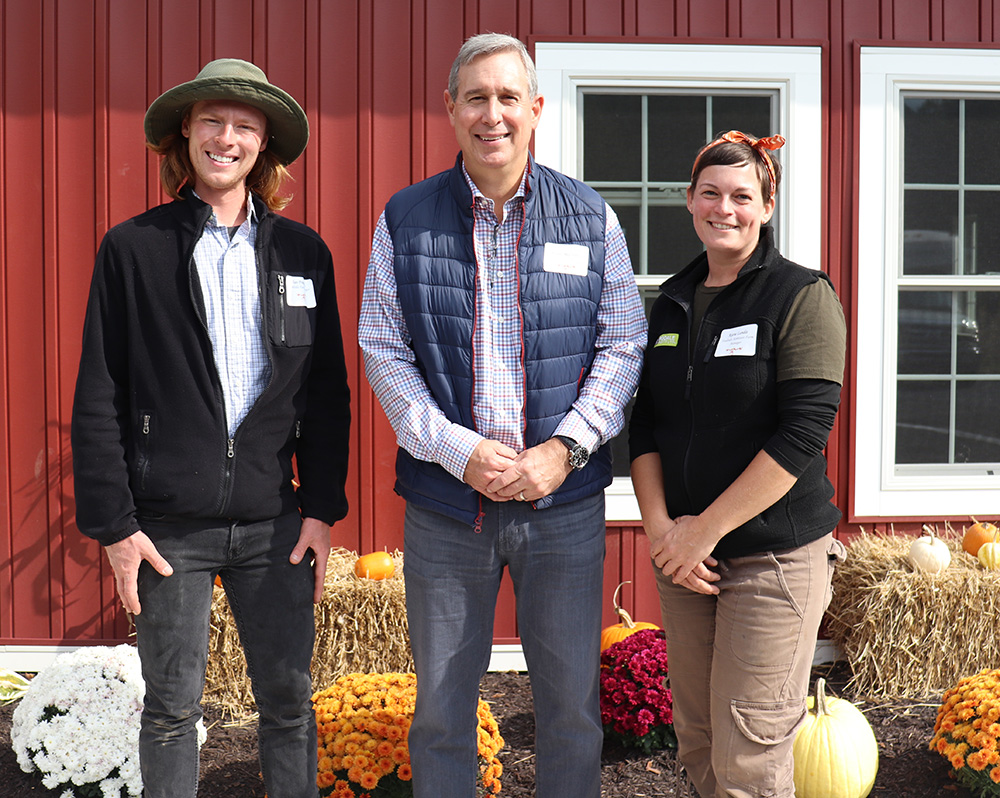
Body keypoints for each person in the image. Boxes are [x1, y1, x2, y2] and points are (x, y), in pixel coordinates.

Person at [358, 32, 646, 798]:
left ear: (536, 108)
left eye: (508, 97)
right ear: (450, 109)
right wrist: (457, 451)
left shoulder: (589, 217)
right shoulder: (405, 219)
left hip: (564, 508)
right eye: (477, 97)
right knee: (441, 712)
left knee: (571, 710)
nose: (494, 115)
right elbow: (383, 348)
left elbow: (623, 343)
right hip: (449, 509)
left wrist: (565, 449)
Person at [70, 58, 351, 798]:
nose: (227, 138)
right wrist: (115, 526)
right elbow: (99, 394)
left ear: (264, 146)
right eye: (212, 122)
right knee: (170, 712)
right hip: (168, 532)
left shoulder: (303, 254)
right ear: (185, 135)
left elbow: (326, 394)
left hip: (272, 524)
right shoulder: (134, 249)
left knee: (289, 706)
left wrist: (320, 509)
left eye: (245, 127)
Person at [628, 130, 847, 798]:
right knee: (697, 740)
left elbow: (804, 432)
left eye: (742, 196)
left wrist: (705, 529)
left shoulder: (799, 295)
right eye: (711, 193)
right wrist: (664, 534)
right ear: (689, 201)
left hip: (773, 558)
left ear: (767, 206)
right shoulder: (672, 300)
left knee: (749, 754)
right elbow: (644, 425)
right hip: (686, 561)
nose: (725, 208)